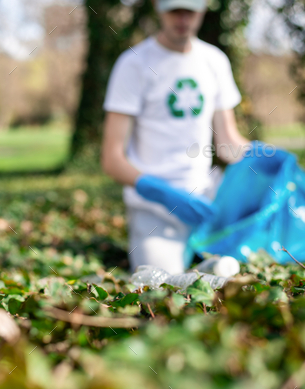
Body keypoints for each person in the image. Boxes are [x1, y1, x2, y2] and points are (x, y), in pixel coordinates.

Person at [101, 0, 251, 275]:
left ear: (203, 9)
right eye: (175, 9)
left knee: (249, 265)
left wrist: (267, 159)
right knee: (160, 282)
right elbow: (112, 159)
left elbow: (228, 144)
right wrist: (159, 192)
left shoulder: (214, 61)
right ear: (158, 7)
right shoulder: (133, 64)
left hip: (206, 200)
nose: (183, 18)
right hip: (153, 208)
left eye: (190, 10)